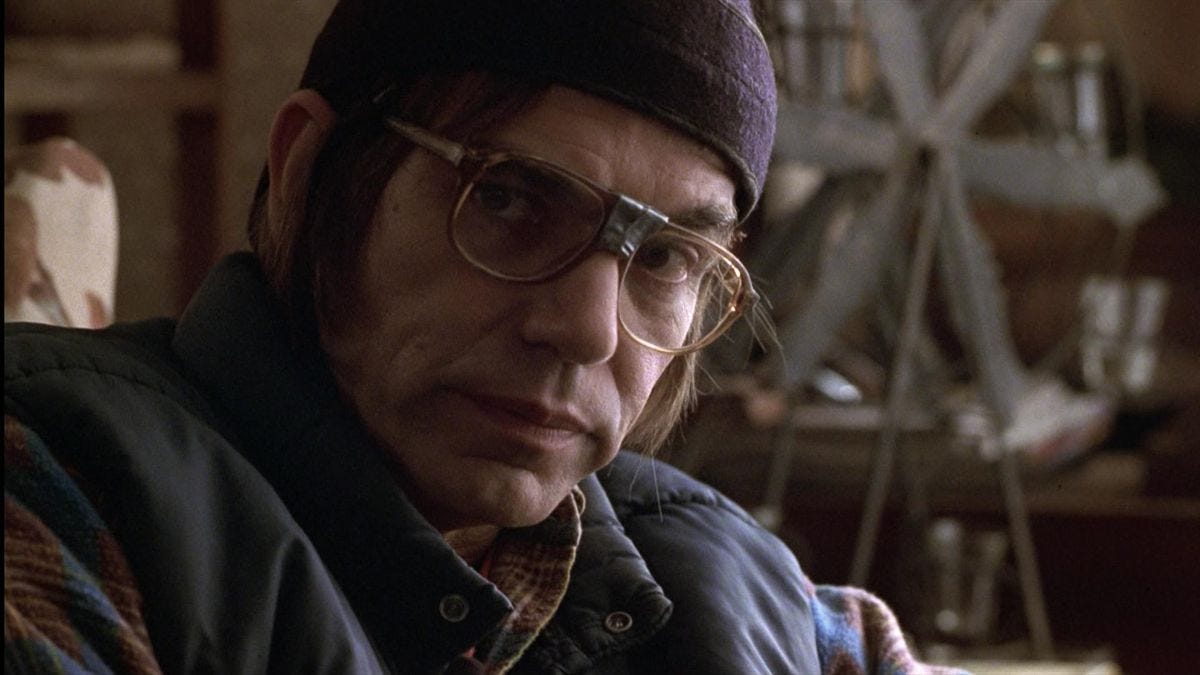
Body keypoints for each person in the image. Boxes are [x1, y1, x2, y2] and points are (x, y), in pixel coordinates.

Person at [4, 1, 961, 673]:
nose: (586, 329)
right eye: (506, 200)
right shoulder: (58, 493)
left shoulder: (754, 597)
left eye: (666, 256)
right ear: (307, 169)